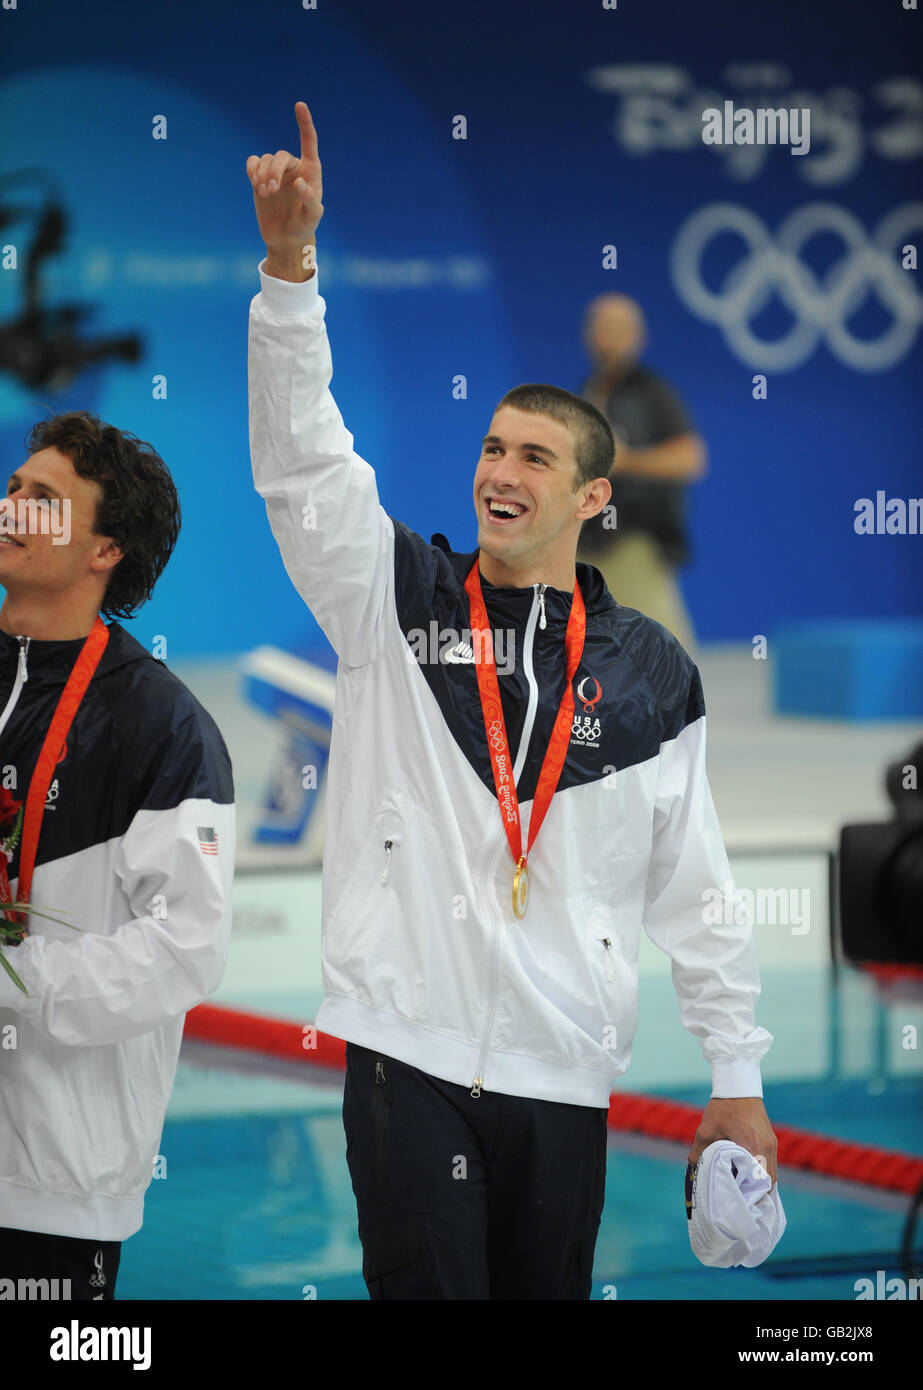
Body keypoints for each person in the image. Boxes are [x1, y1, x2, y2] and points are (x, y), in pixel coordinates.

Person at [247, 102, 776, 1301]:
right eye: (491, 448)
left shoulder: (647, 669)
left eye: (535, 457)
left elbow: (695, 892)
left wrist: (733, 1072)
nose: (499, 470)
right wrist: (290, 274)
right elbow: (302, 465)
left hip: (564, 1073)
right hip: (408, 1053)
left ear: (594, 496)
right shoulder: (394, 597)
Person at [0, 413, 234, 1299]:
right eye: (15, 488)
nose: (12, 507)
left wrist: (12, 980)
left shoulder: (161, 725)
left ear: (105, 549)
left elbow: (185, 950)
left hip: (52, 1186)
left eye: (44, 500)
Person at [577, 294, 706, 654]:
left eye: (618, 328)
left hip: (634, 542)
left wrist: (625, 460)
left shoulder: (654, 393)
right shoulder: (585, 392)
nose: (606, 335)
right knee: (582, 646)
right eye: (599, 325)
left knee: (661, 650)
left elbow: (691, 459)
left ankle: (679, 711)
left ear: (639, 337)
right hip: (586, 541)